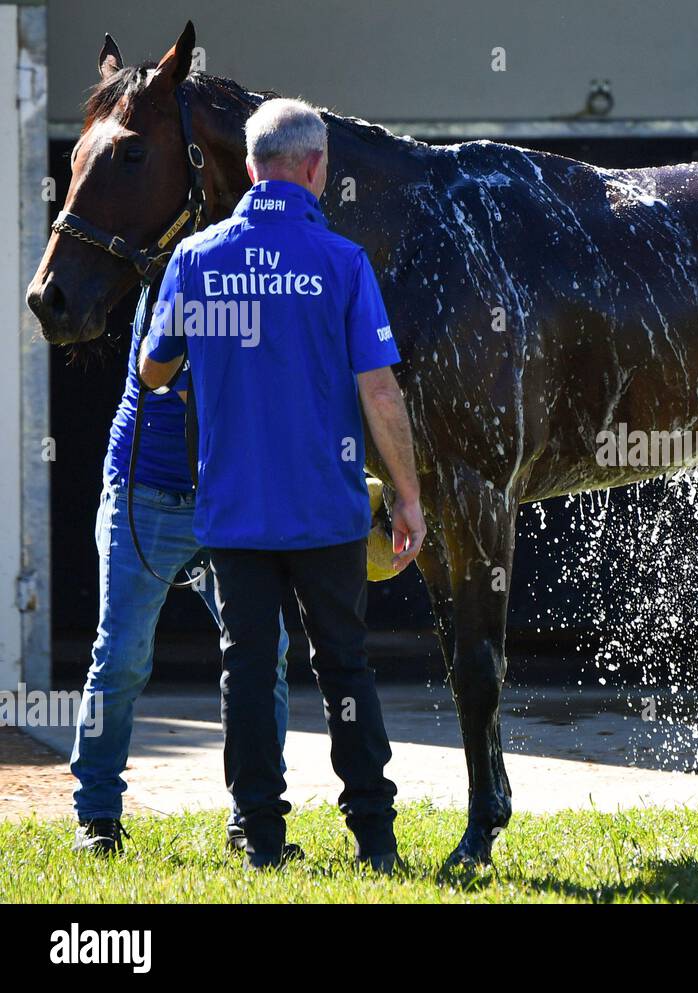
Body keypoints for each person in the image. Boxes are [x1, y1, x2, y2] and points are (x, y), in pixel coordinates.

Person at [139, 98, 425, 871]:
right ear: (314, 167)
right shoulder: (342, 262)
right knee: (345, 667)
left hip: (235, 512)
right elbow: (380, 392)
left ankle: (261, 839)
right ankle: (376, 838)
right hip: (327, 510)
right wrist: (408, 495)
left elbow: (153, 370)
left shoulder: (195, 260)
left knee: (248, 667)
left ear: (255, 167)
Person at [71, 281, 291, 859]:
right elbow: (179, 381)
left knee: (265, 654)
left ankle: (255, 816)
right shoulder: (173, 283)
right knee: (120, 656)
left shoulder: (255, 287)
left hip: (223, 502)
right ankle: (96, 814)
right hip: (143, 494)